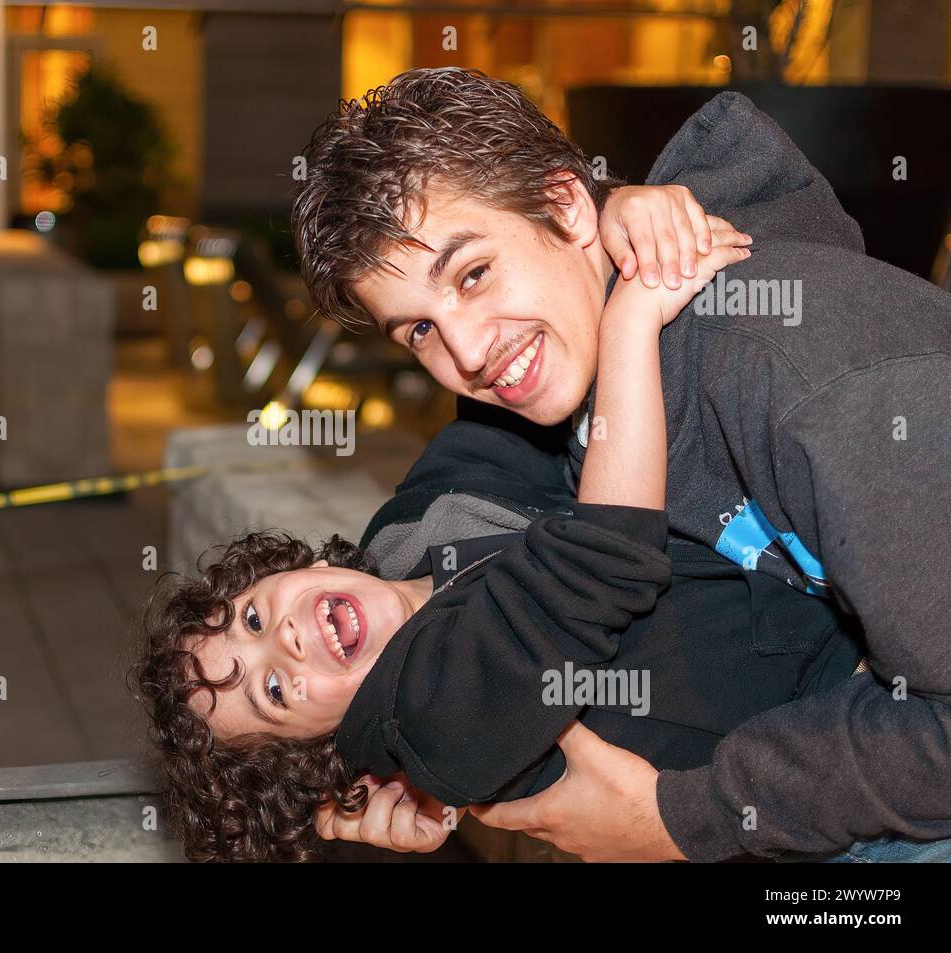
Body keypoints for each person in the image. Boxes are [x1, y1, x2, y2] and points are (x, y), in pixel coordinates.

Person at [291, 66, 951, 862]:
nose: (467, 352)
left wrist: (683, 817)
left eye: (472, 273)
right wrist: (358, 764)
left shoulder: (803, 379)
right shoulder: (582, 383)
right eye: (420, 332)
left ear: (568, 208)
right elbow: (442, 519)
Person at [130, 213, 859, 861]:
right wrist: (631, 317)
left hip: (823, 579)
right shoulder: (435, 721)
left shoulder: (407, 536)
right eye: (277, 690)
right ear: (324, 745)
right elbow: (603, 561)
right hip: (834, 720)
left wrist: (607, 224)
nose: (282, 638)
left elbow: (516, 398)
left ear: (285, 568)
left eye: (253, 617)